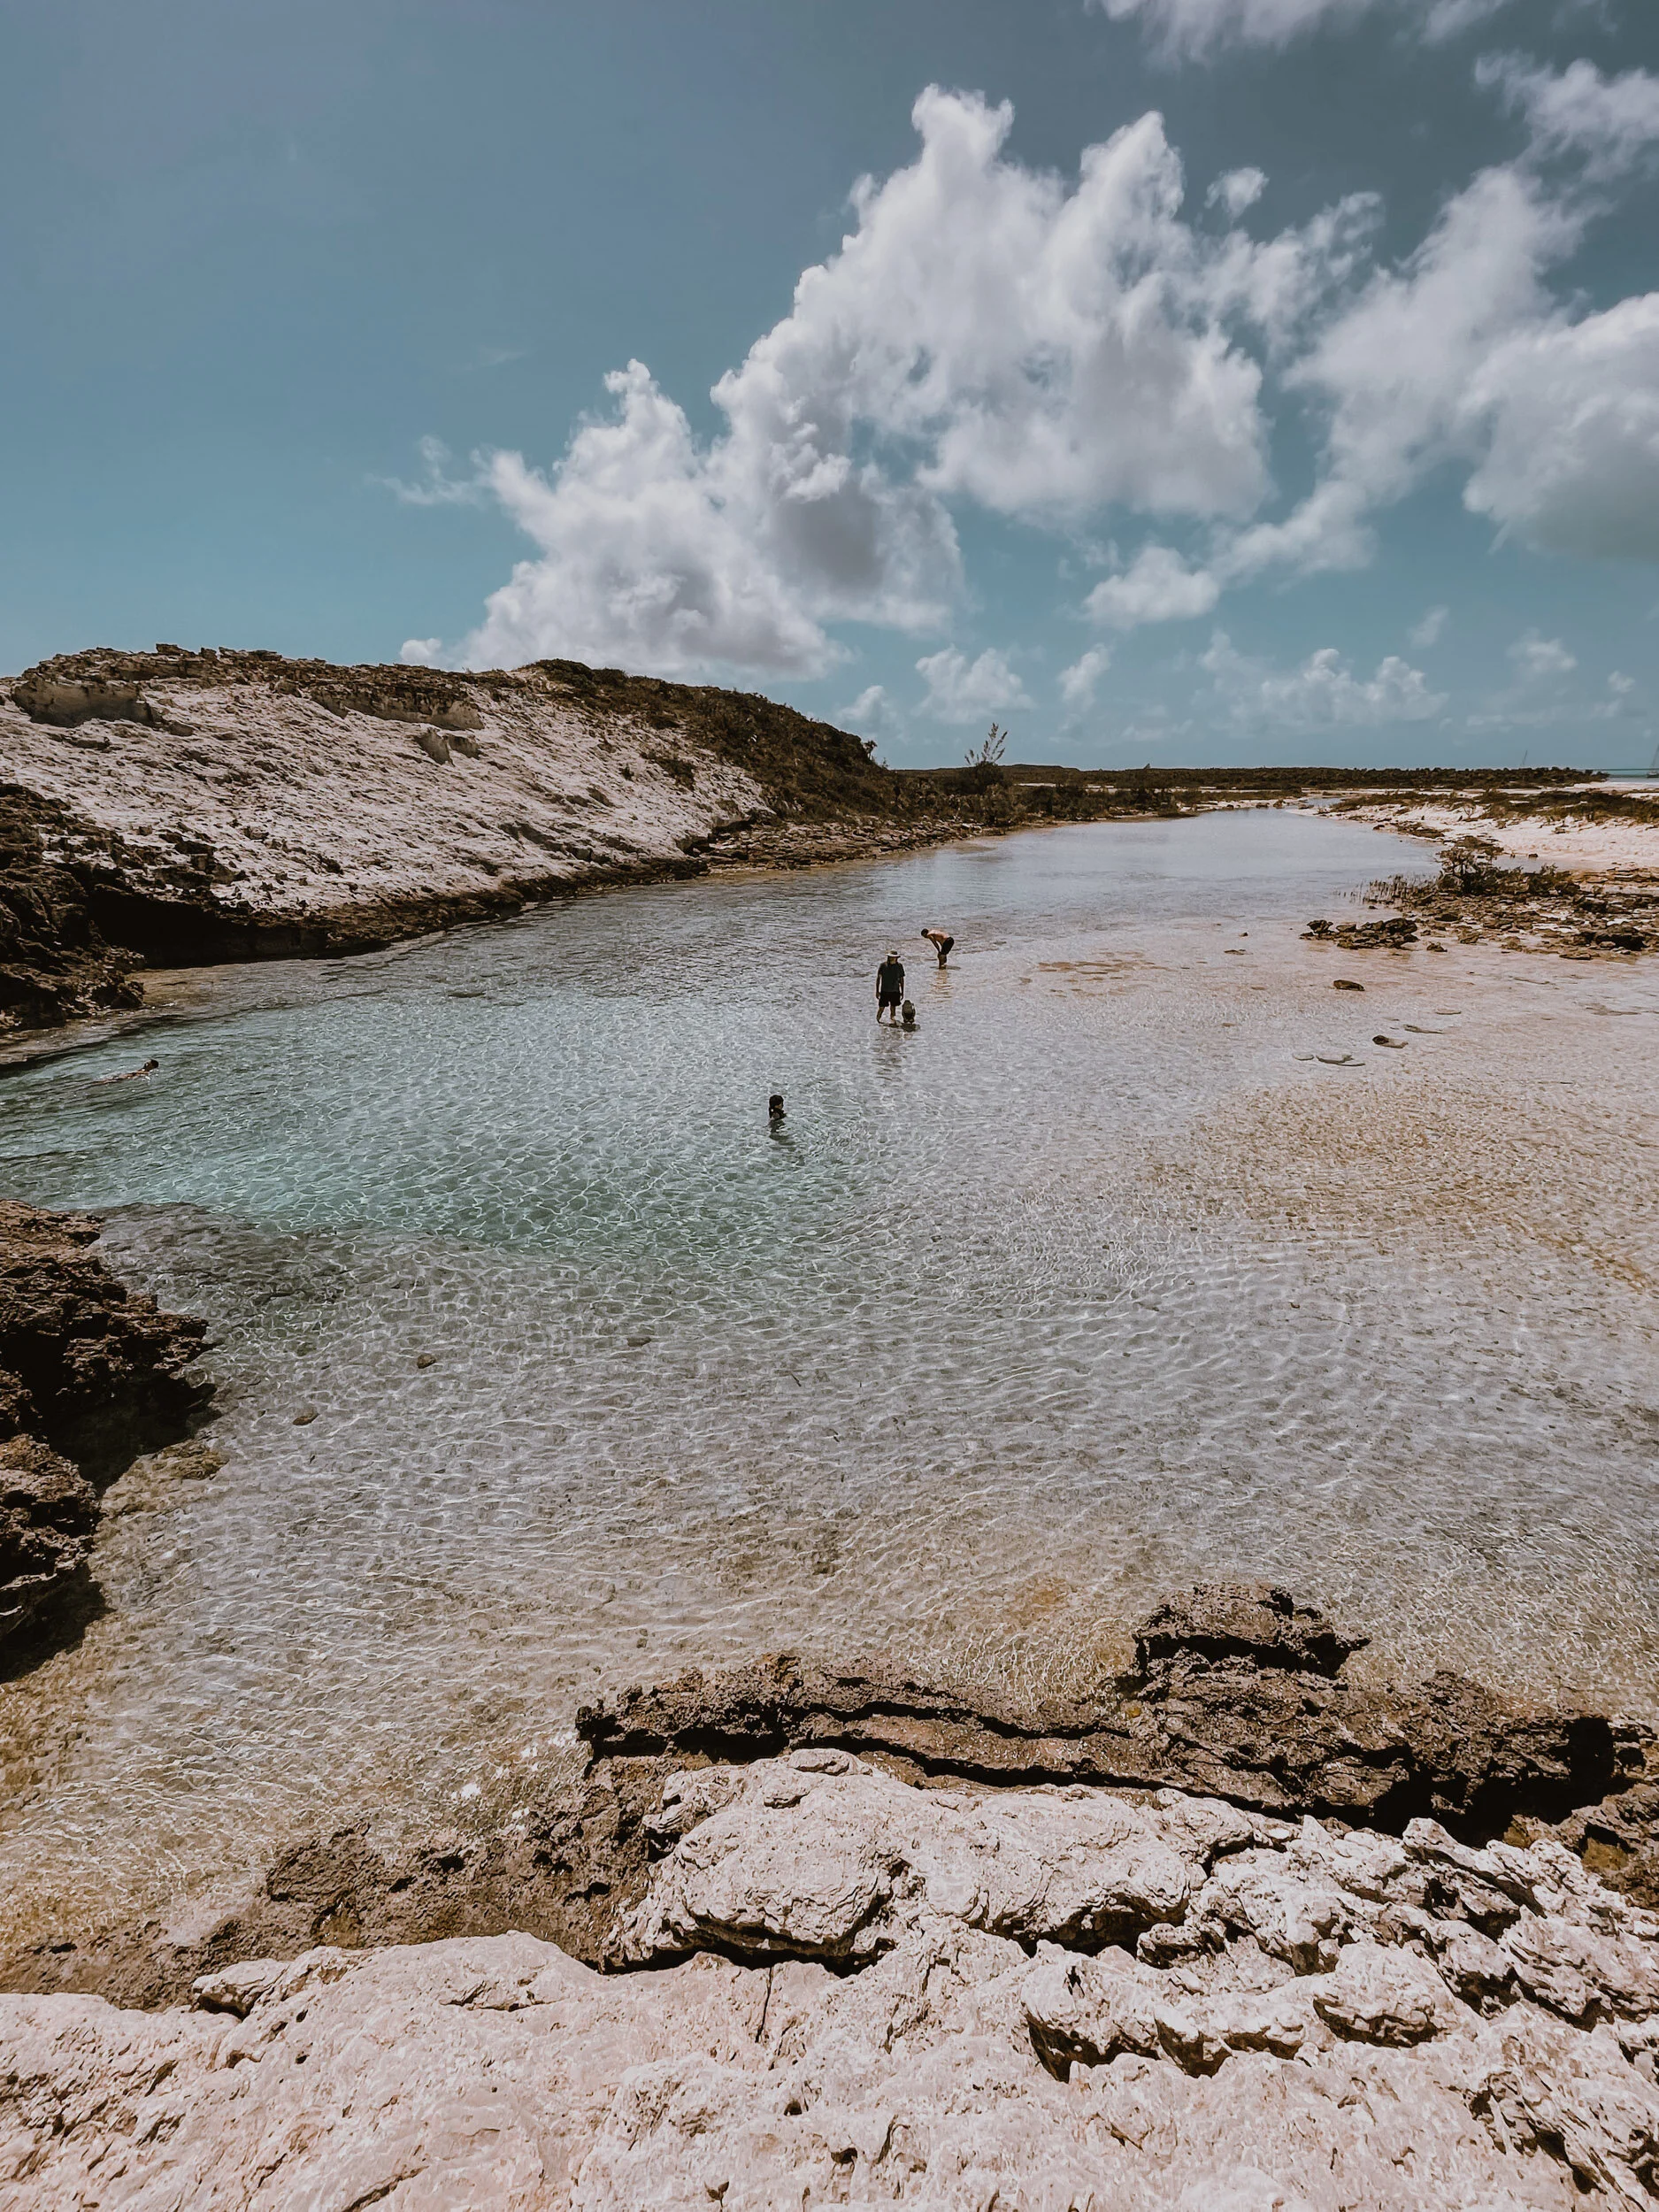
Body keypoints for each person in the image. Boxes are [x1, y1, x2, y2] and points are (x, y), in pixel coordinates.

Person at [876, 949, 905, 1023]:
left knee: (893, 1009)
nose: (892, 958)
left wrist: (902, 992)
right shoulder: (883, 965)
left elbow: (902, 980)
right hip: (884, 990)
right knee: (881, 1008)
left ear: (897, 958)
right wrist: (877, 991)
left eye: (893, 957)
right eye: (890, 957)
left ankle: (892, 1025)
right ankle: (877, 1022)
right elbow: (878, 979)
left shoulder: (899, 966)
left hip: (895, 990)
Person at [94, 1057, 158, 1086]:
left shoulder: (146, 1072)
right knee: (102, 1081)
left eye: (148, 1063)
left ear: (152, 1066)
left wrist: (133, 1073)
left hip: (125, 1078)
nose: (146, 1063)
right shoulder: (142, 1069)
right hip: (123, 1076)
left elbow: (137, 1074)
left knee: (105, 1082)